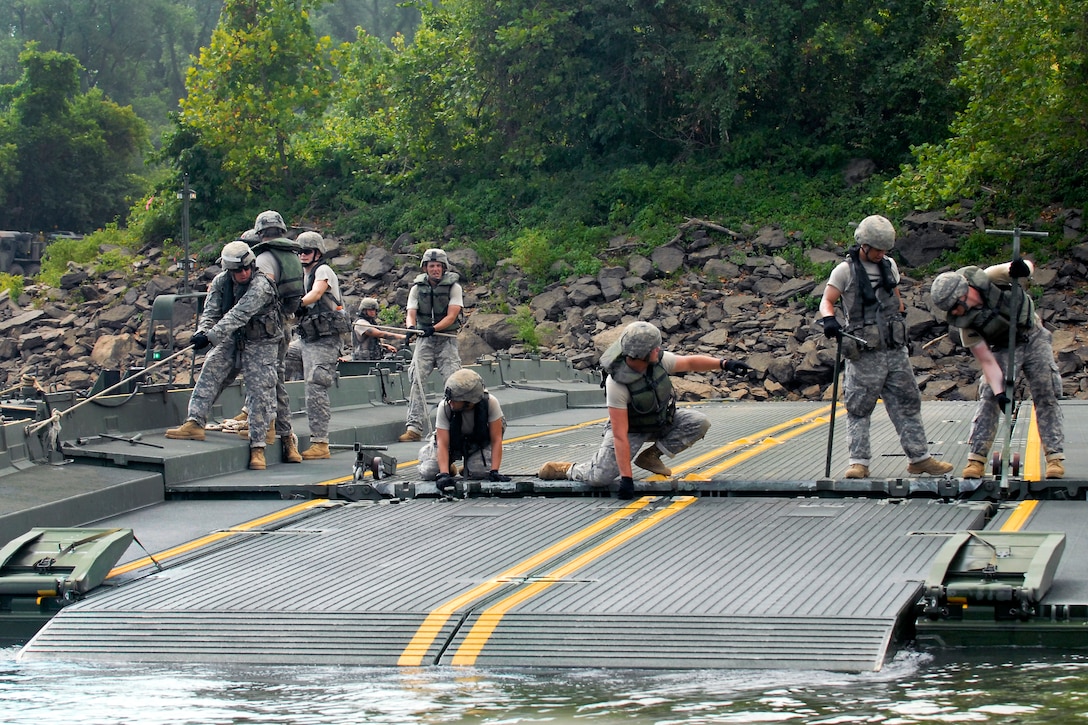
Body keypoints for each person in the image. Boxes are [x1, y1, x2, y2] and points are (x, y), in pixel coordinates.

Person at [537, 321, 751, 500]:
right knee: (600, 477)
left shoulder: (657, 360)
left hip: (660, 420)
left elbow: (689, 362)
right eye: (654, 348)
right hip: (631, 429)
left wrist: (724, 363)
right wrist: (627, 479)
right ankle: (567, 469)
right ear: (641, 354)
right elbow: (620, 435)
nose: (659, 350)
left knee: (698, 421)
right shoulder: (617, 384)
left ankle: (651, 456)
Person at [818, 214, 953, 480]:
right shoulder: (844, 270)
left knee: (907, 402)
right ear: (863, 245)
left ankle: (919, 459)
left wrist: (900, 321)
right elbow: (827, 300)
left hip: (894, 349)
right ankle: (859, 462)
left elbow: (896, 298)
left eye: (885, 249)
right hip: (864, 351)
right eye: (877, 249)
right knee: (858, 407)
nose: (881, 254)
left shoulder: (889, 265)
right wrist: (829, 319)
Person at [930, 260, 1065, 479]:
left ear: (966, 291)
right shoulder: (966, 325)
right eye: (951, 310)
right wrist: (1001, 393)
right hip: (1003, 346)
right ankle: (976, 459)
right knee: (989, 395)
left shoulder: (990, 277)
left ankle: (1054, 458)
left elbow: (1023, 267)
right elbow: (987, 361)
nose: (956, 311)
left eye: (956, 304)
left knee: (1046, 392)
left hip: (1033, 336)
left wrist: (1023, 268)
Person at [164, 241, 282, 470]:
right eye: (238, 271)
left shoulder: (261, 285)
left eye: (247, 268)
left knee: (259, 390)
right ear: (228, 270)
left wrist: (211, 336)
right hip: (234, 337)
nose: (244, 273)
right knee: (211, 369)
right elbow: (211, 312)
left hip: (261, 341)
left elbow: (239, 314)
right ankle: (195, 422)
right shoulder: (220, 283)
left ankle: (258, 447)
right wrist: (201, 332)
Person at [283, 231, 351, 460]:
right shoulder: (299, 275)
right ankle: (266, 418)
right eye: (299, 251)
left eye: (307, 251)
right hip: (305, 338)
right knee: (278, 362)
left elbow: (317, 292)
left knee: (315, 383)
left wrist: (298, 303)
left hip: (325, 340)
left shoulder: (323, 271)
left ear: (318, 253)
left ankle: (320, 443)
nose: (302, 255)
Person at [249, 210, 304, 463]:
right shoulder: (291, 257)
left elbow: (260, 295)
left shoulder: (264, 259)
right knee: (279, 381)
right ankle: (288, 441)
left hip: (266, 330)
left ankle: (262, 442)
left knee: (265, 383)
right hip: (285, 326)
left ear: (260, 233)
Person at [398, 248, 463, 442]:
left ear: (444, 268)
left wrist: (433, 328)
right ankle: (414, 428)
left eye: (438, 266)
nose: (435, 269)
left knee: (454, 383)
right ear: (425, 268)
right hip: (424, 340)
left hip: (446, 339)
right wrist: (411, 328)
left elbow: (452, 315)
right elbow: (411, 311)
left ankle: (455, 426)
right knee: (416, 379)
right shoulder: (417, 288)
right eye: (431, 266)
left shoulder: (454, 287)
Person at [418, 368, 510, 493]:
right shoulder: (445, 407)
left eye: (455, 400)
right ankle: (436, 459)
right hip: (451, 444)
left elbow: (496, 439)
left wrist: (494, 471)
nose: (450, 402)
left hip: (477, 444)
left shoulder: (490, 403)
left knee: (481, 472)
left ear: (469, 401)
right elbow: (442, 444)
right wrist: (444, 474)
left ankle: (469, 466)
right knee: (429, 472)